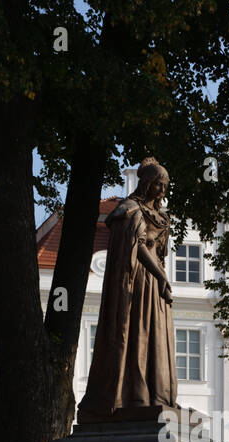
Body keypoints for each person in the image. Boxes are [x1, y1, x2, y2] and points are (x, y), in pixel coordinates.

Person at [77, 157, 178, 421]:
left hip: (155, 284)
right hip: (138, 281)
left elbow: (160, 251)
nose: (162, 191)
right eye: (158, 185)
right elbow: (138, 246)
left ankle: (157, 394)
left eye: (165, 185)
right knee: (137, 333)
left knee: (156, 335)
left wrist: (162, 277)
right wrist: (160, 275)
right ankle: (135, 394)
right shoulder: (129, 209)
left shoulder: (160, 216)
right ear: (146, 184)